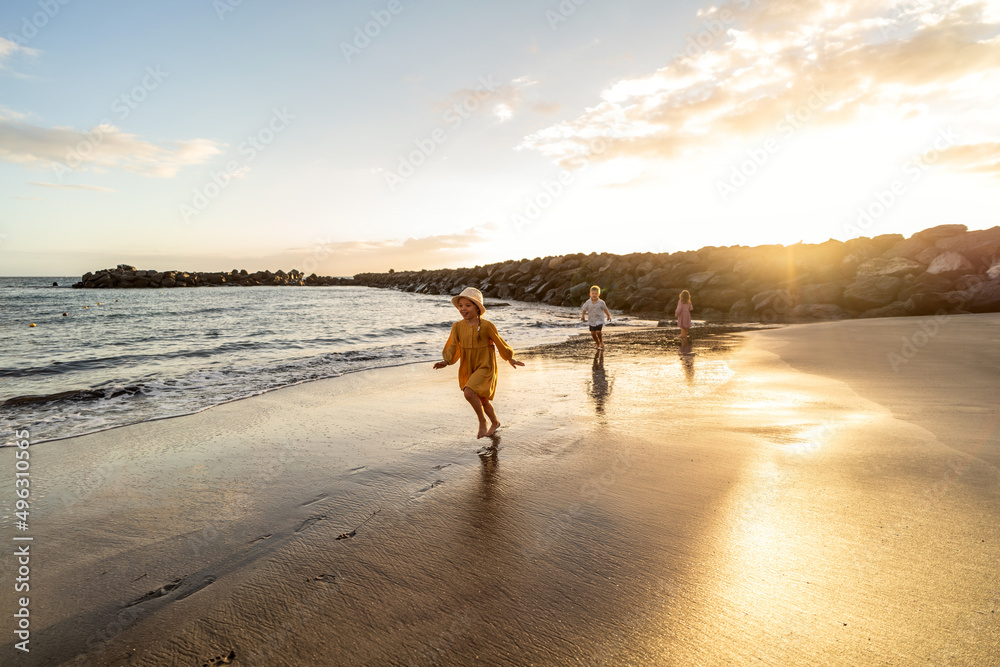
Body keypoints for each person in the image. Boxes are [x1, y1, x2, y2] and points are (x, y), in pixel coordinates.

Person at [433, 287, 524, 439]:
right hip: (468, 365)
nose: (463, 309)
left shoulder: (487, 326)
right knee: (482, 399)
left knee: (469, 392)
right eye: (461, 305)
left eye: (468, 305)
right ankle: (495, 422)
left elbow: (499, 342)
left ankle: (482, 422)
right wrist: (446, 361)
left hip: (485, 365)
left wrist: (509, 357)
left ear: (477, 307)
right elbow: (453, 345)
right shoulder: (457, 326)